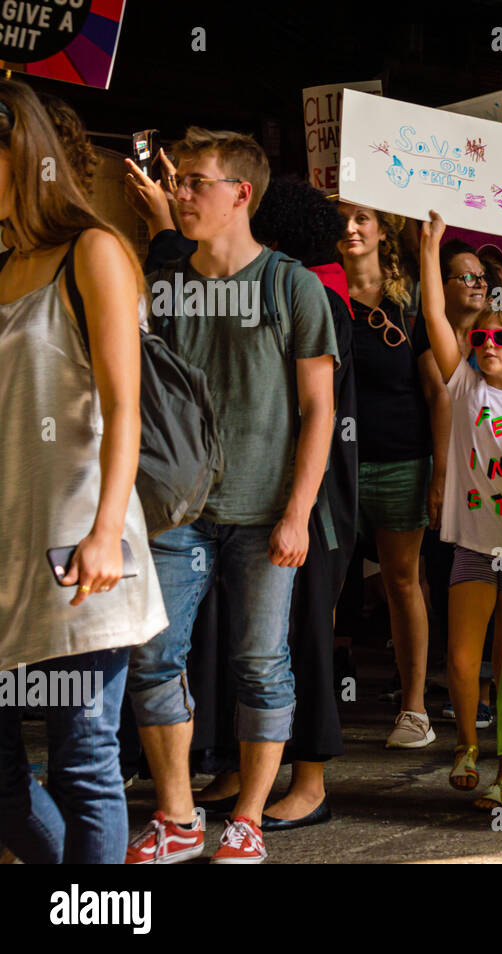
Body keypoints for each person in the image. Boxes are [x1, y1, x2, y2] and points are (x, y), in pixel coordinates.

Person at [124, 128, 338, 864]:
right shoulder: (167, 283)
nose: (179, 192)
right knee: (155, 657)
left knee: (260, 663)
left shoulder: (292, 284)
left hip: (265, 513)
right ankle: (178, 817)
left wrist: (298, 511)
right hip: (178, 510)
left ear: (239, 194)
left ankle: (246, 820)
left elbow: (319, 411)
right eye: (177, 181)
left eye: (193, 181)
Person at [0, 80, 168, 864]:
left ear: (20, 153)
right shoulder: (2, 265)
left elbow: (123, 405)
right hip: (6, 544)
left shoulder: (95, 250)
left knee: (82, 758)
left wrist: (105, 531)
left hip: (78, 550)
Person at [421, 209, 502, 812]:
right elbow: (434, 317)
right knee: (462, 659)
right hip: (474, 545)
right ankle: (467, 745)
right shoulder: (465, 386)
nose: (486, 344)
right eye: (480, 338)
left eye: (501, 339)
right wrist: (430, 248)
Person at [337, 200, 449, 751]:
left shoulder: (408, 306)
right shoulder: (322, 296)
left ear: (383, 230)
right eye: (342, 219)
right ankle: (310, 706)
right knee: (324, 586)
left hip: (402, 461)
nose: (350, 228)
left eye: (362, 218)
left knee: (402, 581)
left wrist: (440, 475)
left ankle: (414, 710)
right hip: (334, 466)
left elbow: (438, 391)